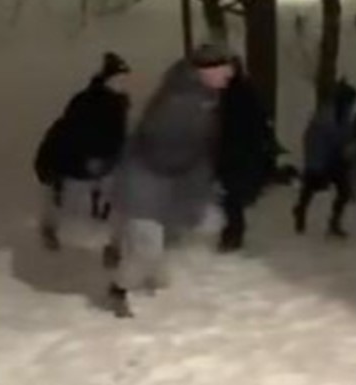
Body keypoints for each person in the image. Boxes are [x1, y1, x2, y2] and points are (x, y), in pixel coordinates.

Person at [106, 44, 235, 318]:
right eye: (224, 69)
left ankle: (128, 257)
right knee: (147, 247)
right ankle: (118, 289)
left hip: (164, 183)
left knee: (159, 242)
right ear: (205, 71)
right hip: (145, 180)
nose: (230, 74)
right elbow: (160, 147)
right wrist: (190, 172)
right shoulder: (180, 100)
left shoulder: (204, 97)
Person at [34, 52, 131, 251]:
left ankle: (114, 244)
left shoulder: (99, 101)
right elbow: (83, 134)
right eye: (120, 79)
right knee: (113, 197)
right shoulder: (102, 105)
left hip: (89, 163)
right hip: (86, 163)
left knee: (116, 198)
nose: (124, 84)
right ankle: (114, 244)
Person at [215, 60, 276, 252]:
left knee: (231, 196)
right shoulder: (247, 93)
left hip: (235, 152)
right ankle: (234, 233)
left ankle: (233, 234)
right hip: (243, 152)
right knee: (233, 197)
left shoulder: (229, 95)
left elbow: (226, 125)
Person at [293, 80, 356, 239]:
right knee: (312, 186)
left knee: (342, 191)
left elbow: (343, 133)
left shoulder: (343, 113)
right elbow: (321, 137)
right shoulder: (326, 114)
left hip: (335, 157)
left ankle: (333, 222)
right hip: (323, 156)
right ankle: (301, 210)